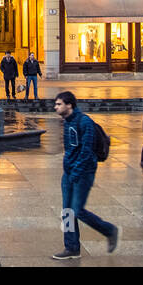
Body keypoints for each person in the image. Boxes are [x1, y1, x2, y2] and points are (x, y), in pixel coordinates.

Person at [52, 91, 120, 261]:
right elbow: (71, 149)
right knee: (67, 211)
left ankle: (109, 230)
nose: (56, 107)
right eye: (56, 104)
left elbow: (87, 151)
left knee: (78, 210)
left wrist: (76, 172)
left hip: (83, 173)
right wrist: (68, 170)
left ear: (69, 105)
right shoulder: (67, 122)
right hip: (69, 173)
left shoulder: (85, 122)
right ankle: (71, 247)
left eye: (59, 104)